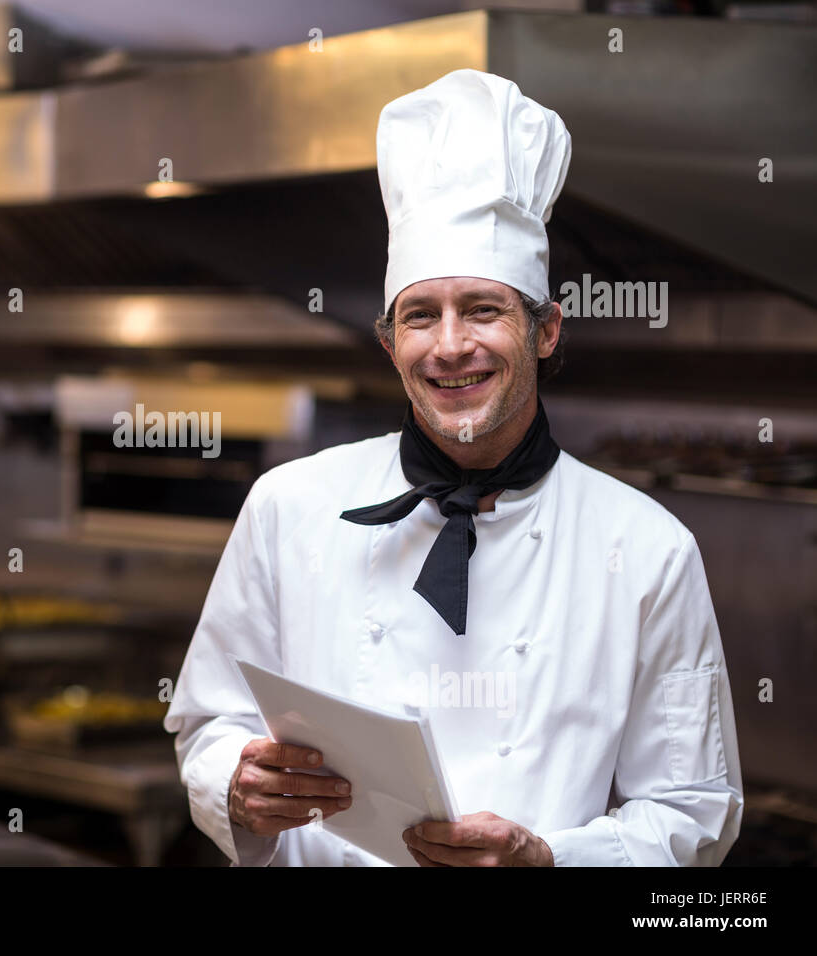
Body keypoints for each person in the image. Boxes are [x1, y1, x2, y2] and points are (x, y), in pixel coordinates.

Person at [163, 69, 743, 866]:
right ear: (387, 342)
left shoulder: (647, 549)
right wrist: (235, 785)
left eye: (482, 309)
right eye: (419, 316)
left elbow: (693, 810)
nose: (449, 346)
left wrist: (548, 862)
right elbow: (210, 721)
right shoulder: (288, 506)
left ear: (545, 331)